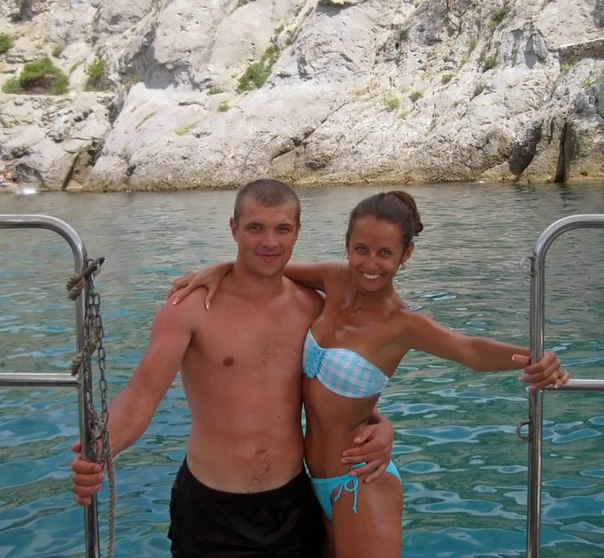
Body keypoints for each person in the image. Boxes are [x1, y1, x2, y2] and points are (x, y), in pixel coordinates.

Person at [170, 190, 569, 558]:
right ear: (347, 244)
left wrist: (535, 358)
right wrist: (220, 269)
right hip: (309, 484)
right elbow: (267, 266)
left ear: (406, 254)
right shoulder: (333, 280)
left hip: (360, 482)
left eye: (385, 253)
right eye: (361, 250)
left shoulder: (403, 324)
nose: (371, 264)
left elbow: (470, 350)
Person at [71, 179, 395, 558]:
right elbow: (141, 395)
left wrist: (380, 426)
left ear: (297, 232)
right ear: (234, 229)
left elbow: (336, 393)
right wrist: (100, 450)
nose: (269, 242)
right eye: (255, 228)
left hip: (292, 505)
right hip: (212, 511)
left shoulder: (313, 309)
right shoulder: (190, 308)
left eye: (282, 229)